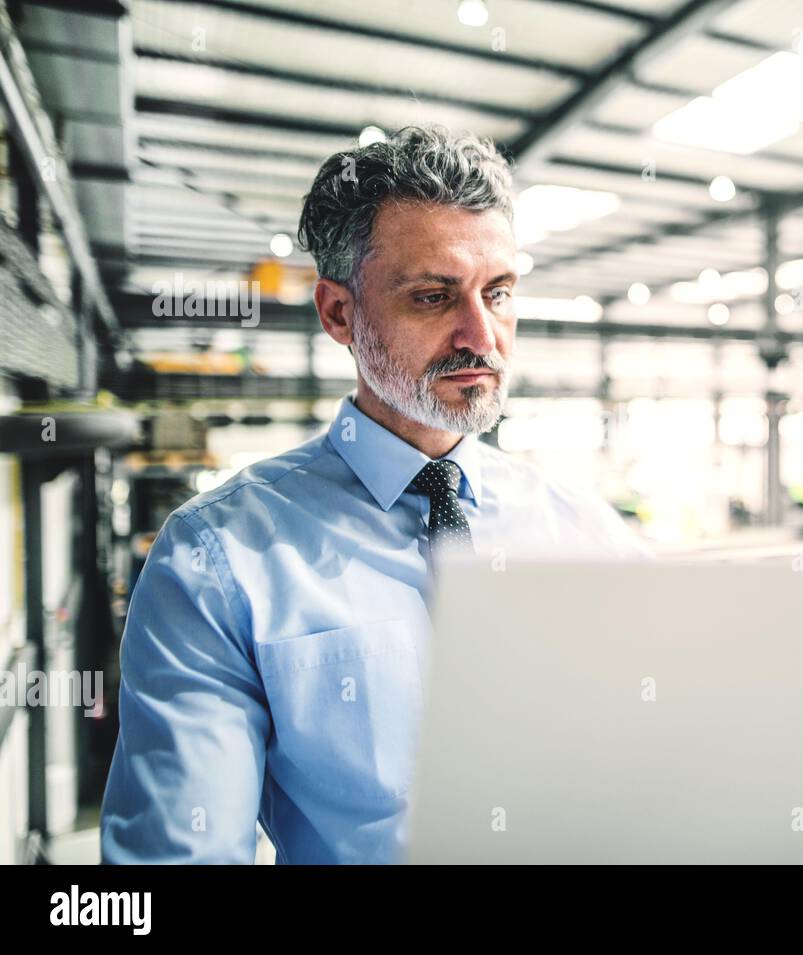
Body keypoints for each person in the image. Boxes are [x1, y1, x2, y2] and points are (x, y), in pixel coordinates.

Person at [101, 126, 646, 863]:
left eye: (500, 293)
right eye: (434, 295)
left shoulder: (589, 534)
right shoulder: (221, 561)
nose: (480, 335)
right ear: (338, 314)